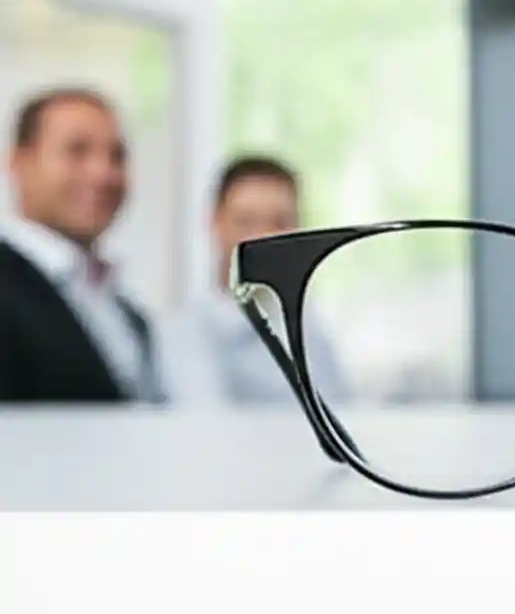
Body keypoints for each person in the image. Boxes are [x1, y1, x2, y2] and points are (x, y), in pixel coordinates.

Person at [0, 88, 164, 402]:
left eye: (117, 156)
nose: (102, 173)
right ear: (19, 162)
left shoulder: (123, 309)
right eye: (77, 151)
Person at [160, 155, 348, 406]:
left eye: (280, 223)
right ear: (215, 223)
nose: (266, 238)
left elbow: (344, 415)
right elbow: (210, 428)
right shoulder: (184, 332)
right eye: (246, 222)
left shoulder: (311, 329)